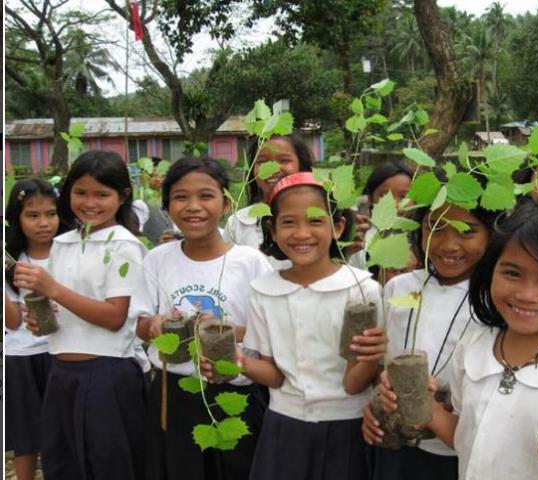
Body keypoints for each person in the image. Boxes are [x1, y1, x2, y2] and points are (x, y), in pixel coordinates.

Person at [381, 202, 538, 479]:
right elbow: (468, 438)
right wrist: (420, 400)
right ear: (490, 271)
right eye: (512, 273)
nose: (526, 294)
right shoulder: (474, 345)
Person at [204, 172, 384, 479]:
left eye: (315, 221)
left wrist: (375, 356)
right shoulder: (263, 290)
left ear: (338, 227)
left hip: (348, 427)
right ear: (272, 230)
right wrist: (236, 363)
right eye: (289, 222)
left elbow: (354, 383)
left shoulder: (361, 290)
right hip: (284, 427)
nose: (302, 233)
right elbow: (274, 375)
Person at [134, 156, 273, 480]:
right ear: (167, 205)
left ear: (225, 203)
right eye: (181, 197)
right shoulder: (157, 260)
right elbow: (140, 326)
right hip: (173, 391)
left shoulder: (250, 262)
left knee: (237, 469)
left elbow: (268, 331)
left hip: (234, 389)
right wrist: (155, 326)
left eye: (206, 196)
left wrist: (220, 332)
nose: (193, 206)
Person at [13, 150, 147, 480]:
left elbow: (115, 317)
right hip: (61, 372)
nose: (90, 202)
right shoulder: (63, 243)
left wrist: (53, 288)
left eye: (102, 194)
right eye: (81, 192)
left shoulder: (124, 246)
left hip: (107, 373)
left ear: (122, 196)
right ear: (68, 192)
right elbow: (59, 316)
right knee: (64, 464)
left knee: (108, 465)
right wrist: (40, 319)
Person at [362, 197, 496, 480]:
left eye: (467, 230)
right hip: (394, 439)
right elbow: (382, 366)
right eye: (435, 227)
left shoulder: (494, 300)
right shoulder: (400, 286)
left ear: (493, 233)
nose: (448, 245)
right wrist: (379, 394)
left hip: (452, 450)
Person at [4, 178, 67, 480]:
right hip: (22, 355)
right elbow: (13, 322)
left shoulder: (70, 253)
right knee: (25, 434)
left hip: (63, 352)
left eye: (51, 214)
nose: (44, 223)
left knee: (63, 431)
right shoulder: (12, 263)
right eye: (32, 215)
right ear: (16, 218)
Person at [222, 135, 313, 263]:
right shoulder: (238, 223)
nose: (272, 169)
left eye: (283, 161)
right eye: (262, 162)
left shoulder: (322, 217)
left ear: (302, 166)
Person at [350, 161, 414, 270]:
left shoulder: (423, 239)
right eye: (384, 196)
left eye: (404, 196)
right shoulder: (360, 242)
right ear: (370, 198)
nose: (394, 204)